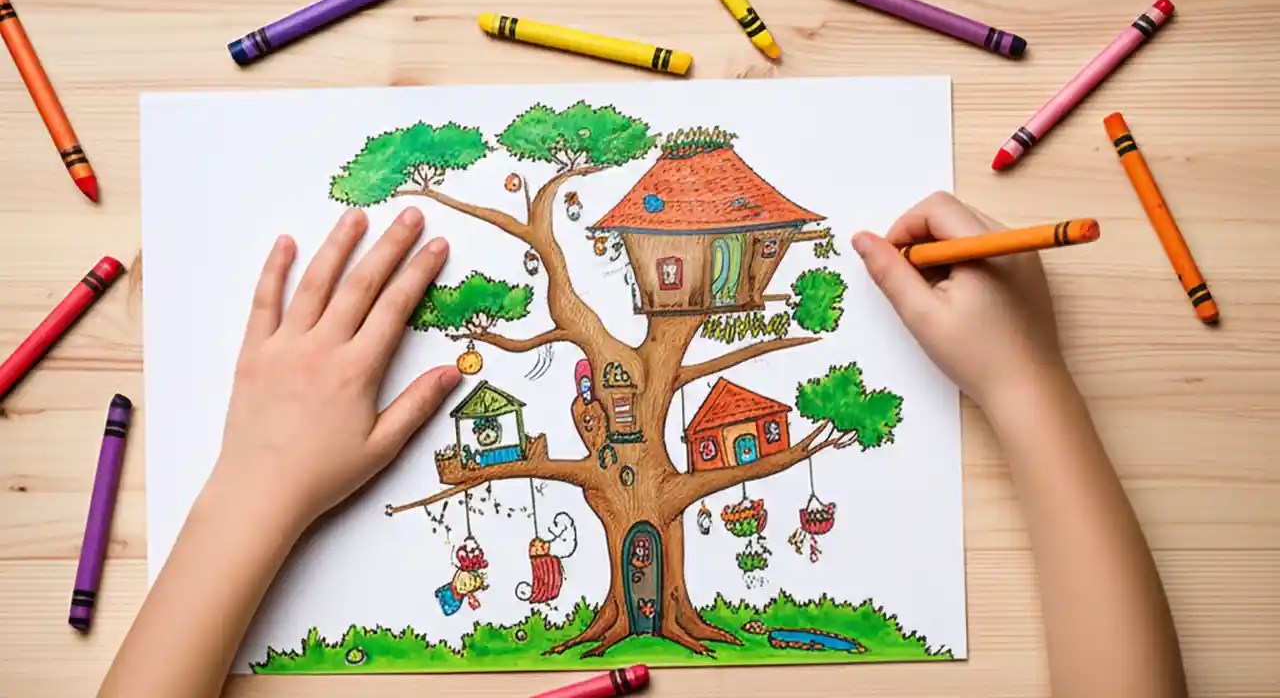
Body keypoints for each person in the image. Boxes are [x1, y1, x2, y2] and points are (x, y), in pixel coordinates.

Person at [98, 194, 1188, 697]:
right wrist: (1027, 386)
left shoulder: (668, 352)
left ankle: (658, 600)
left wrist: (250, 491)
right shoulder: (596, 387)